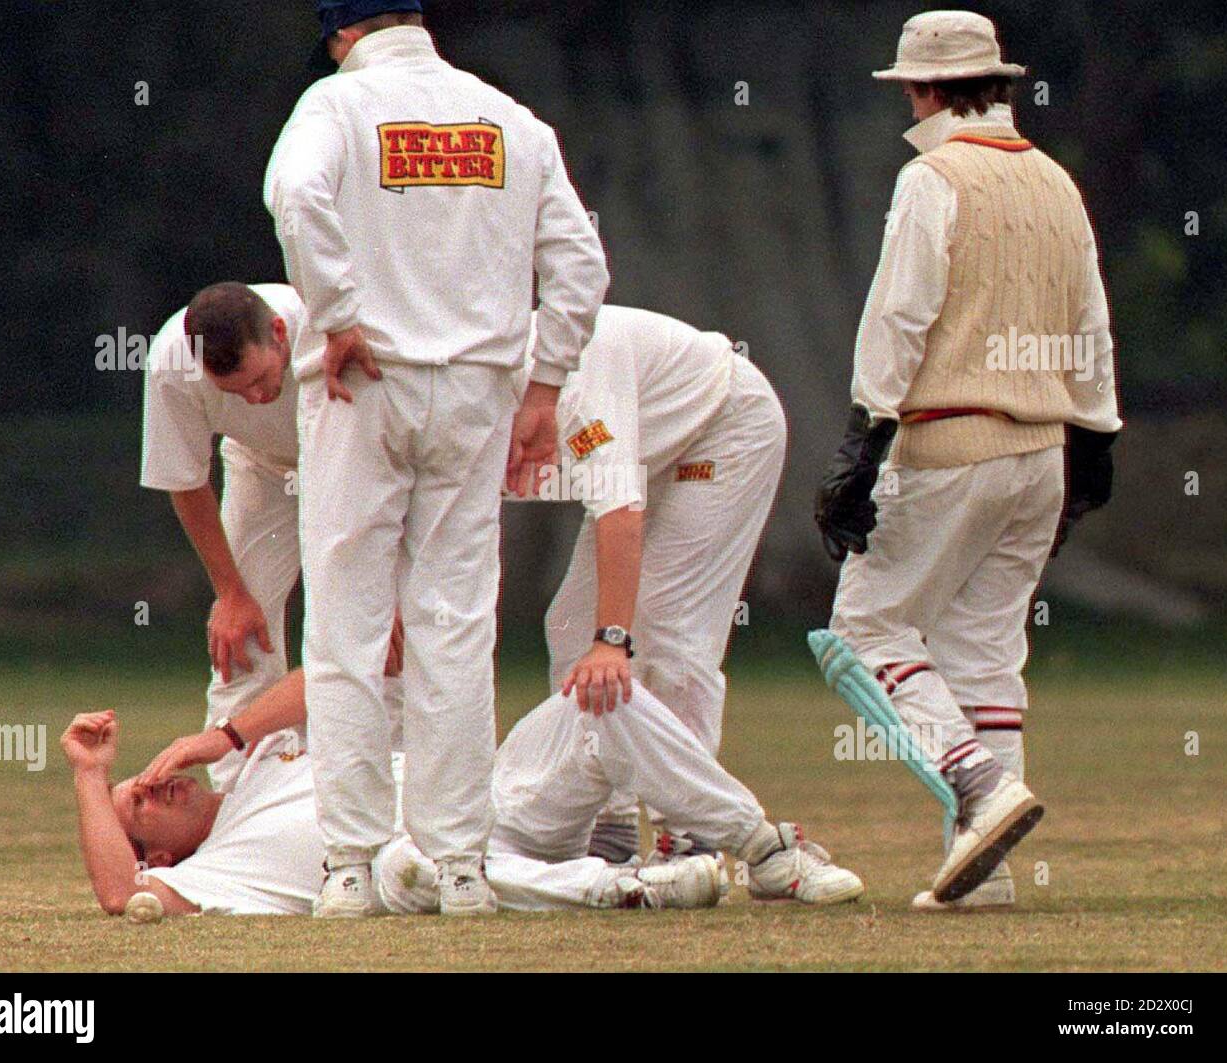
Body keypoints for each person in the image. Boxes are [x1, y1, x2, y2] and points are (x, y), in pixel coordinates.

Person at [263, 1, 609, 917]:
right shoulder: (511, 120)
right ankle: (460, 867)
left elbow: (296, 198)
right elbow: (580, 264)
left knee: (345, 619)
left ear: (342, 37)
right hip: (477, 389)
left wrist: (335, 314)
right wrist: (545, 389)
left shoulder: (336, 108)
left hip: (361, 383)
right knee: (456, 623)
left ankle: (349, 863)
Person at [815, 11, 1120, 908]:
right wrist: (1096, 445)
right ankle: (984, 873)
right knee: (984, 652)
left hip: (950, 439)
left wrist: (861, 442)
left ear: (920, 88)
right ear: (998, 83)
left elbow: (900, 318)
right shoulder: (1058, 182)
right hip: (1043, 447)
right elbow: (1091, 322)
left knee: (864, 635)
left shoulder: (930, 178)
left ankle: (978, 788)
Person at [61, 669, 863, 917]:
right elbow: (113, 891)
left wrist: (220, 735)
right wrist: (95, 775)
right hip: (440, 870)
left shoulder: (256, 758)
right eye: (145, 798)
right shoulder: (202, 879)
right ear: (159, 851)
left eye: (150, 773)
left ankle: (764, 851)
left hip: (495, 799)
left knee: (600, 693)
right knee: (402, 868)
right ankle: (624, 889)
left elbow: (338, 666)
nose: (159, 779)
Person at [511, 304, 788, 864]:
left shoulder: (573, 389)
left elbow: (620, 514)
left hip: (725, 425)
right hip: (653, 447)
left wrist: (613, 640)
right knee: (568, 626)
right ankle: (605, 826)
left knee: (666, 627)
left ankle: (690, 832)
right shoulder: (465, 401)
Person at [140, 282, 307, 791]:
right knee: (242, 641)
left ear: (279, 334)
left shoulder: (325, 325)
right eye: (235, 392)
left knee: (380, 640)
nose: (256, 399)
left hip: (354, 468)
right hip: (262, 467)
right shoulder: (172, 365)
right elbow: (187, 481)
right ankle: (241, 808)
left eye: (260, 379)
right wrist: (231, 593)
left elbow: (389, 453)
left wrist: (381, 588)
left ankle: (395, 814)